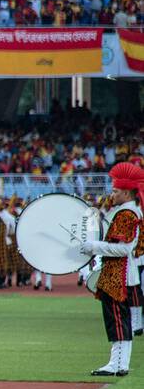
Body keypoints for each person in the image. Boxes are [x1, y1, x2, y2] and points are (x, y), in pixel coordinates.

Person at [83, 161, 143, 376]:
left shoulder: (126, 213)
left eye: (116, 190)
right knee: (121, 320)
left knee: (116, 320)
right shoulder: (130, 210)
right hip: (122, 274)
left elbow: (124, 248)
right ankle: (120, 363)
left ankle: (116, 364)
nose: (113, 193)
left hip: (118, 275)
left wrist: (93, 247)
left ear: (127, 193)